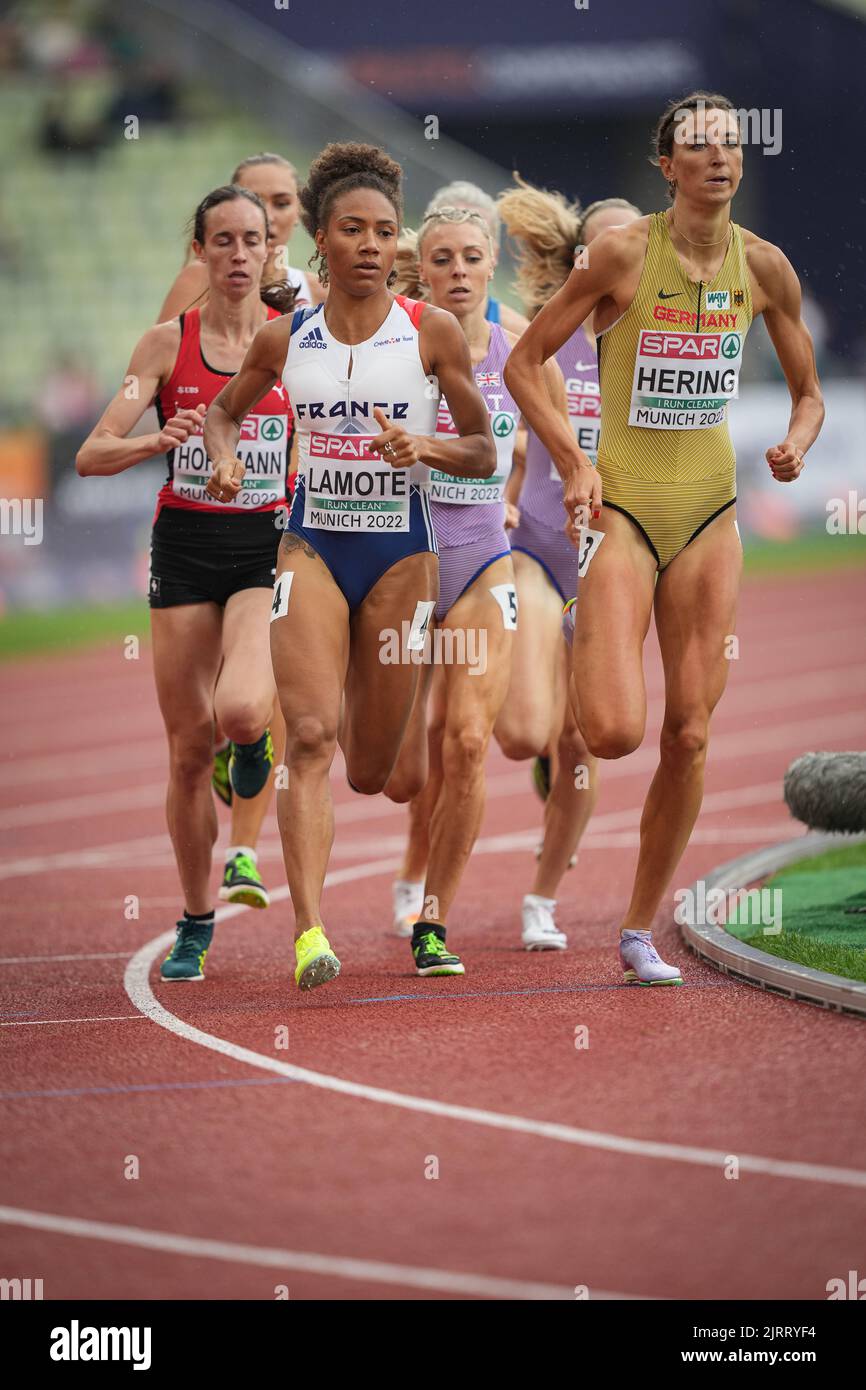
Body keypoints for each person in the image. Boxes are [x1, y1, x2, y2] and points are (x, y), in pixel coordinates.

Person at [504, 91, 824, 985]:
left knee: (688, 733)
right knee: (609, 734)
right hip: (626, 510)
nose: (719, 157)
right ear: (667, 165)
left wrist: (795, 445)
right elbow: (526, 361)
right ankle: (582, 631)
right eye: (699, 145)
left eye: (730, 144)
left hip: (711, 513)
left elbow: (808, 394)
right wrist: (571, 462)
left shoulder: (766, 269)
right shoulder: (620, 254)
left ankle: (640, 927)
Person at [202, 143, 496, 990]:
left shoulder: (429, 331)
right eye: (353, 230)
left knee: (379, 771)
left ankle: (369, 834)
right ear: (321, 240)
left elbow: (481, 451)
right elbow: (224, 417)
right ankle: (310, 933)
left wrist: (425, 444)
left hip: (404, 556)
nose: (370, 245)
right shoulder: (284, 336)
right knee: (314, 738)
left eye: (384, 232)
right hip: (311, 546)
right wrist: (224, 457)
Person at [77, 185, 296, 980]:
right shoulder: (166, 345)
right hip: (184, 547)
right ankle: (196, 918)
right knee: (184, 751)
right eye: (223, 242)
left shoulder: (293, 340)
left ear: (274, 250)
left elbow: (317, 442)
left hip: (263, 549)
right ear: (199, 252)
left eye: (253, 241)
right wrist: (153, 442)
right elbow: (92, 451)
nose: (239, 256)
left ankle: (254, 748)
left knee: (239, 710)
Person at [386, 206, 552, 971]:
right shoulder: (392, 339)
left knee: (467, 744)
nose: (456, 270)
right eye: (442, 258)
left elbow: (559, 442)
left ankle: (434, 922)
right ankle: (410, 859)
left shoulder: (521, 349)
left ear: (490, 269)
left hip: (485, 555)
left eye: (470, 258)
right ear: (422, 271)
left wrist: (572, 482)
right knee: (398, 772)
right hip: (403, 560)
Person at [156, 153, 314, 909]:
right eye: (255, 204)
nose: (270, 216)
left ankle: (245, 850)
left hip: (290, 520)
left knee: (262, 699)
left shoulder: (311, 294)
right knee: (213, 715)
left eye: (282, 203)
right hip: (196, 522)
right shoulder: (207, 281)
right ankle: (230, 824)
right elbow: (168, 370)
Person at [496, 180, 640, 950]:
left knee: (584, 742)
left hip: (614, 561)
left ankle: (541, 899)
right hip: (542, 548)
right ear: (585, 258)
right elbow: (501, 407)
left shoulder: (660, 343)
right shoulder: (551, 335)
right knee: (524, 732)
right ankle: (539, 746)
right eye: (610, 245)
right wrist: (518, 479)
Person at [424, 181, 530, 336]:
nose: (459, 269)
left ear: (494, 255)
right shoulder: (398, 325)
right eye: (443, 258)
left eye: (472, 256)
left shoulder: (518, 334)